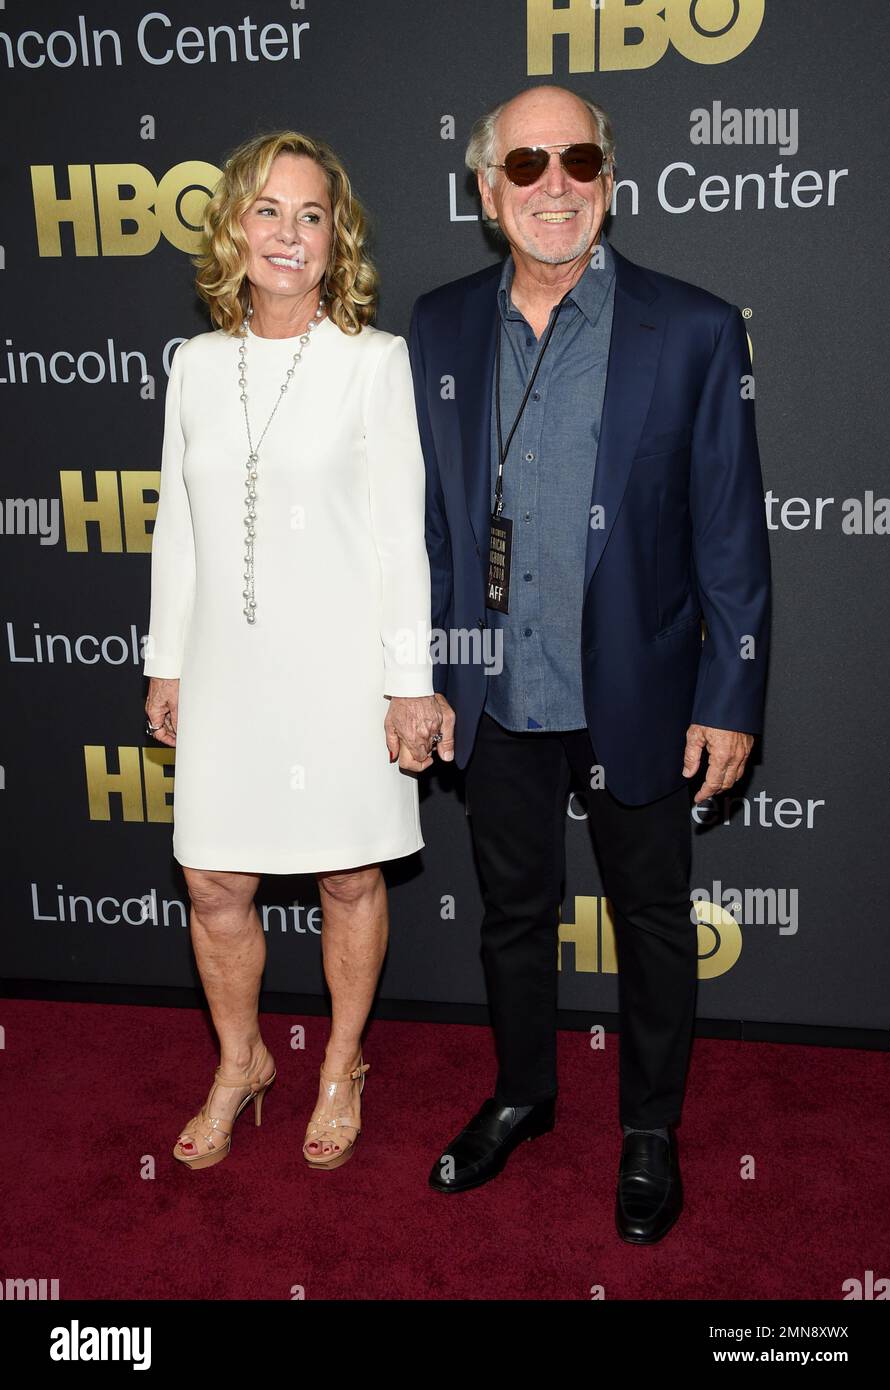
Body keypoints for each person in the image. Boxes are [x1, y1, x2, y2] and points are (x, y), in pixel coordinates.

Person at [408, 86, 771, 1241]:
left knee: (652, 916)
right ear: (487, 192)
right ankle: (523, 1092)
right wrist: (426, 672)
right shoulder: (438, 326)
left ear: (608, 182)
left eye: (576, 161)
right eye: (525, 165)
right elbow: (428, 528)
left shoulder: (694, 328)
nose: (553, 185)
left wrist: (729, 694)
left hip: (639, 689)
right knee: (512, 912)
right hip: (494, 686)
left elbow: (731, 532)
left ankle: (650, 1128)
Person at [143, 130, 442, 1171]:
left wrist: (409, 683)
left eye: (310, 215)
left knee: (349, 880)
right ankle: (242, 1061)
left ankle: (341, 1064)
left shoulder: (373, 362)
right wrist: (167, 661)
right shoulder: (195, 365)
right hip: (226, 672)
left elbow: (401, 535)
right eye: (267, 209)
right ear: (234, 225)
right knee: (211, 883)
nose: (288, 232)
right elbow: (177, 529)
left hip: (342, 674)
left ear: (335, 239)